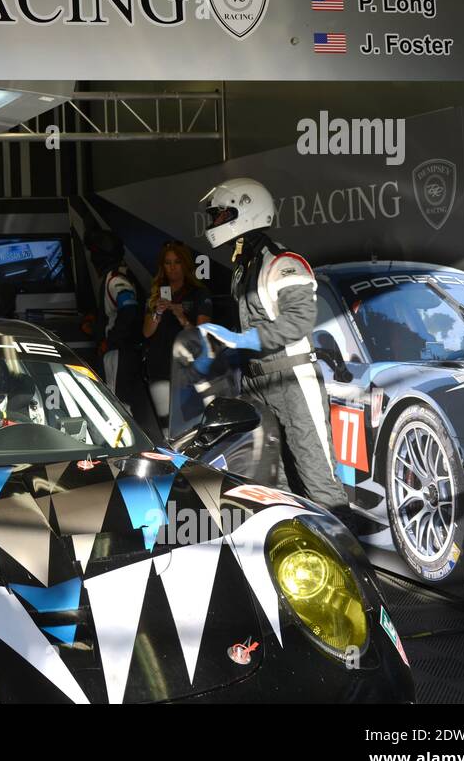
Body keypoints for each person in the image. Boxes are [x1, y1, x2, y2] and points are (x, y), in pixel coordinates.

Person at [196, 178, 350, 515]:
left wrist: (245, 340)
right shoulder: (243, 268)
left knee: (318, 478)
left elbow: (299, 319)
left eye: (222, 215)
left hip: (293, 379)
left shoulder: (282, 262)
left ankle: (350, 560)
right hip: (258, 383)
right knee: (275, 482)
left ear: (246, 210)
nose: (216, 223)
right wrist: (227, 353)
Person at [86, 229, 160, 441]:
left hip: (119, 352)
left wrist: (111, 341)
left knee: (117, 400)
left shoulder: (115, 279)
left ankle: (121, 444)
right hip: (123, 350)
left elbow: (129, 308)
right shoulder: (119, 275)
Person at [142, 241, 213, 432]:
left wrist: (181, 316)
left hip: (188, 368)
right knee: (167, 427)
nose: (172, 267)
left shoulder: (199, 293)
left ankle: (192, 462)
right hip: (160, 368)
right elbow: (147, 332)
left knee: (191, 426)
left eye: (177, 262)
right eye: (168, 262)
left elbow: (202, 335)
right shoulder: (156, 294)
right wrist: (158, 311)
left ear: (185, 265)